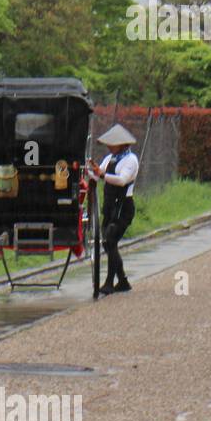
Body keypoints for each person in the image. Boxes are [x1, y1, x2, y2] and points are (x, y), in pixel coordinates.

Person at [88, 124, 139, 295]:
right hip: (110, 206)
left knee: (111, 239)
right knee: (107, 243)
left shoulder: (131, 160)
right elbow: (98, 174)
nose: (109, 146)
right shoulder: (110, 158)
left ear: (122, 144)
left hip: (123, 206)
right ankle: (122, 280)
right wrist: (91, 170)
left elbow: (122, 180)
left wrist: (101, 175)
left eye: (113, 143)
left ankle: (110, 282)